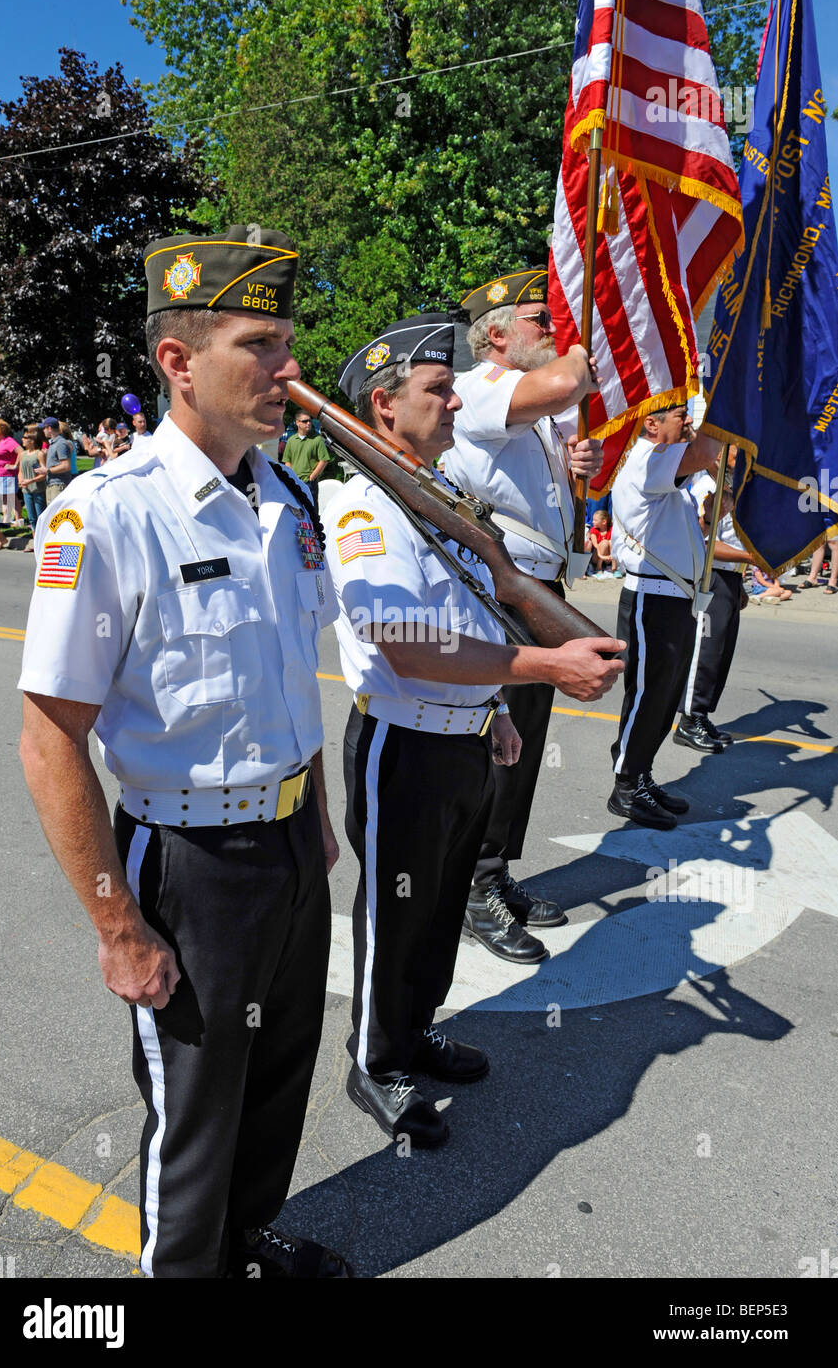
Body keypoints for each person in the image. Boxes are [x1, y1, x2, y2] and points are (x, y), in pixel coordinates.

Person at [18, 224, 351, 1280]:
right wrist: (118, 924)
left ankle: (247, 1247)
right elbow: (48, 738)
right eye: (258, 345)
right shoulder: (108, 514)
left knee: (277, 1078)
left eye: (287, 342)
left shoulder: (286, 501)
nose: (285, 370)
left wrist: (320, 818)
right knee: (194, 1123)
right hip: (193, 866)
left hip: (294, 843)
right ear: (177, 361)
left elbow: (297, 682)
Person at [326, 314, 625, 1146]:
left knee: (443, 901)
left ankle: (416, 1030)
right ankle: (376, 1059)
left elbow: (466, 609)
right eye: (435, 390)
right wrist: (540, 669)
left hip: (461, 735)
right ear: (384, 407)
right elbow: (404, 639)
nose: (455, 400)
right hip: (404, 744)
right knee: (397, 907)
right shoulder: (362, 503)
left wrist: (491, 709)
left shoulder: (443, 498)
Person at [442, 268, 605, 961]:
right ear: (496, 334)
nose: (552, 330)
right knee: (497, 747)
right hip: (501, 594)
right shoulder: (478, 386)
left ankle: (496, 870)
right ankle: (472, 884)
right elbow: (566, 383)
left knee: (525, 747)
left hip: (538, 588)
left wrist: (577, 463)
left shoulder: (518, 406)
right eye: (538, 318)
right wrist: (578, 366)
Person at [608, 405, 720, 827]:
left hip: (676, 598)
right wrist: (726, 400)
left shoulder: (664, 468)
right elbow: (705, 449)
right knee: (647, 695)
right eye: (678, 414)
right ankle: (626, 785)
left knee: (665, 697)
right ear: (651, 423)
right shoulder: (646, 458)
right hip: (651, 598)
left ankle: (640, 773)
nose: (687, 421)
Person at [675, 466, 760, 752]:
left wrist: (741, 582)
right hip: (712, 575)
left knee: (721, 652)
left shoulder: (737, 493)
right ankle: (689, 720)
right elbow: (707, 540)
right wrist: (753, 558)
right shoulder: (708, 489)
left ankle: (701, 713)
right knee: (706, 651)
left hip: (731, 577)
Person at [282, 410, 333, 504]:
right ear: (297, 422)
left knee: (312, 511)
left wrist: (312, 477)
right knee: (297, 510)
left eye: (310, 420)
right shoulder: (291, 440)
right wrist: (291, 477)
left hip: (309, 483)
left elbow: (324, 460)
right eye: (305, 421)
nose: (308, 423)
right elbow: (287, 461)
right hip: (294, 482)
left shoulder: (317, 439)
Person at [17, 427, 48, 550]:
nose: (22, 440)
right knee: (32, 518)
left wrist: (31, 480)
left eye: (25, 437)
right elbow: (20, 471)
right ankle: (36, 543)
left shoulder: (39, 454)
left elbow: (43, 473)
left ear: (32, 440)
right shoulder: (22, 454)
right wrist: (21, 480)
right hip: (27, 490)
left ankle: (43, 543)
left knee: (40, 516)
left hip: (38, 489)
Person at [0, 418, 20, 527]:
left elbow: (21, 452)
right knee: (4, 497)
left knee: (12, 497)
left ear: (1, 429)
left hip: (8, 474)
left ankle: (18, 520)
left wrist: (14, 465)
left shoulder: (9, 441)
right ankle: (7, 519)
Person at [35, 417, 74, 503]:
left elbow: (66, 466)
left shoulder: (61, 443)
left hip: (59, 485)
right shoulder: (53, 443)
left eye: (44, 428)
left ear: (49, 428)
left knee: (58, 514)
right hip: (52, 484)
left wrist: (47, 470)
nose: (43, 431)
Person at [587, 508, 618, 577]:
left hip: (608, 558)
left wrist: (609, 556)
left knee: (611, 542)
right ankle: (598, 568)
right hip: (597, 557)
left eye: (595, 520)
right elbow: (596, 545)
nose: (592, 522)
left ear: (604, 522)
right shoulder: (593, 530)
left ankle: (614, 568)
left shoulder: (611, 530)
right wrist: (601, 556)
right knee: (604, 542)